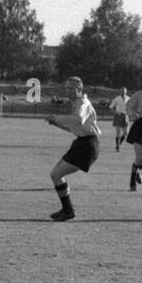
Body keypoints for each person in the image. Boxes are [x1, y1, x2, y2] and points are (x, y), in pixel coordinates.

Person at [46, 77, 101, 221]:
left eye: (71, 88)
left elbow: (78, 119)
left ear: (80, 90)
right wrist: (57, 124)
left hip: (87, 145)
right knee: (55, 175)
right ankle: (67, 210)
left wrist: (57, 117)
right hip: (82, 143)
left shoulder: (82, 103)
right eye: (66, 88)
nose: (67, 91)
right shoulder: (77, 103)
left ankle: (68, 210)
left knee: (56, 174)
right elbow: (75, 128)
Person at [109, 88, 129, 152]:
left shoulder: (129, 99)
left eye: (124, 91)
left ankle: (118, 144)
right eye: (122, 91)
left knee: (125, 133)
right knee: (118, 132)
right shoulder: (116, 99)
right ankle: (117, 147)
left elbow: (131, 107)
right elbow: (111, 107)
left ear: (126, 92)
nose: (123, 92)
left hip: (126, 116)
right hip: (118, 116)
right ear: (120, 92)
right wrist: (116, 113)